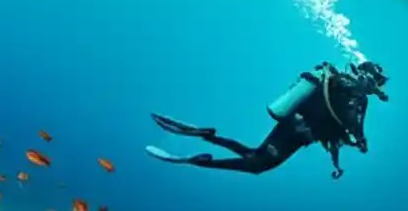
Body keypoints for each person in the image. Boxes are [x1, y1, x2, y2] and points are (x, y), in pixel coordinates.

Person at [146, 60, 388, 179]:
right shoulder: (340, 83)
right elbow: (342, 115)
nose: (371, 89)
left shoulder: (359, 102)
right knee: (256, 165)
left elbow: (351, 129)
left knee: (254, 155)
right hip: (296, 129)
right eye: (372, 83)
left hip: (298, 131)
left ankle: (210, 137)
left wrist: (357, 144)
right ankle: (200, 161)